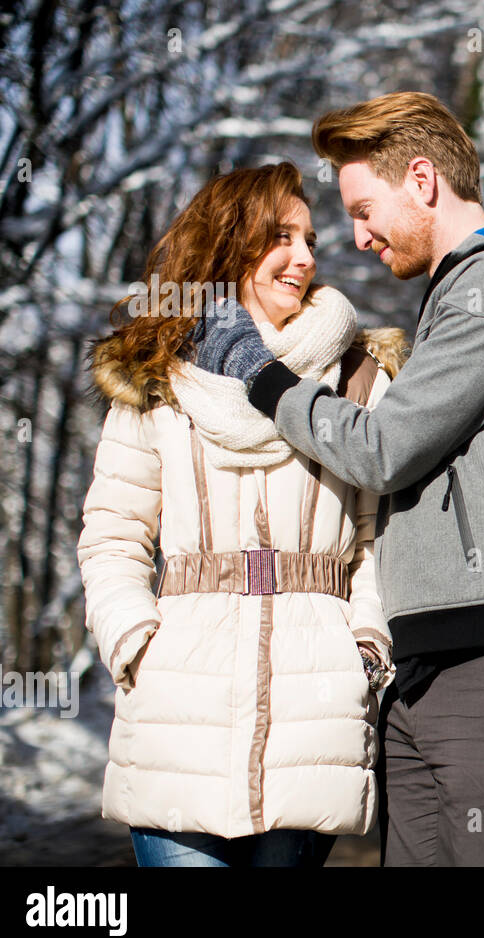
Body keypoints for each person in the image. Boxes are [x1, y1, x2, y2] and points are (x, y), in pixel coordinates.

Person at [191, 91, 484, 866]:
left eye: (363, 208)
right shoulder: (458, 296)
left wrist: (262, 375)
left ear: (421, 179)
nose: (357, 236)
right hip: (432, 666)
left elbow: (383, 448)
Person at [77, 161, 404, 867]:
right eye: (282, 237)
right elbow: (113, 535)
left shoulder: (355, 380)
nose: (307, 257)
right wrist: (136, 643)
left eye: (311, 238)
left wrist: (365, 650)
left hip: (312, 715)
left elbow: (382, 541)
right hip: (177, 711)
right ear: (230, 246)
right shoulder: (155, 374)